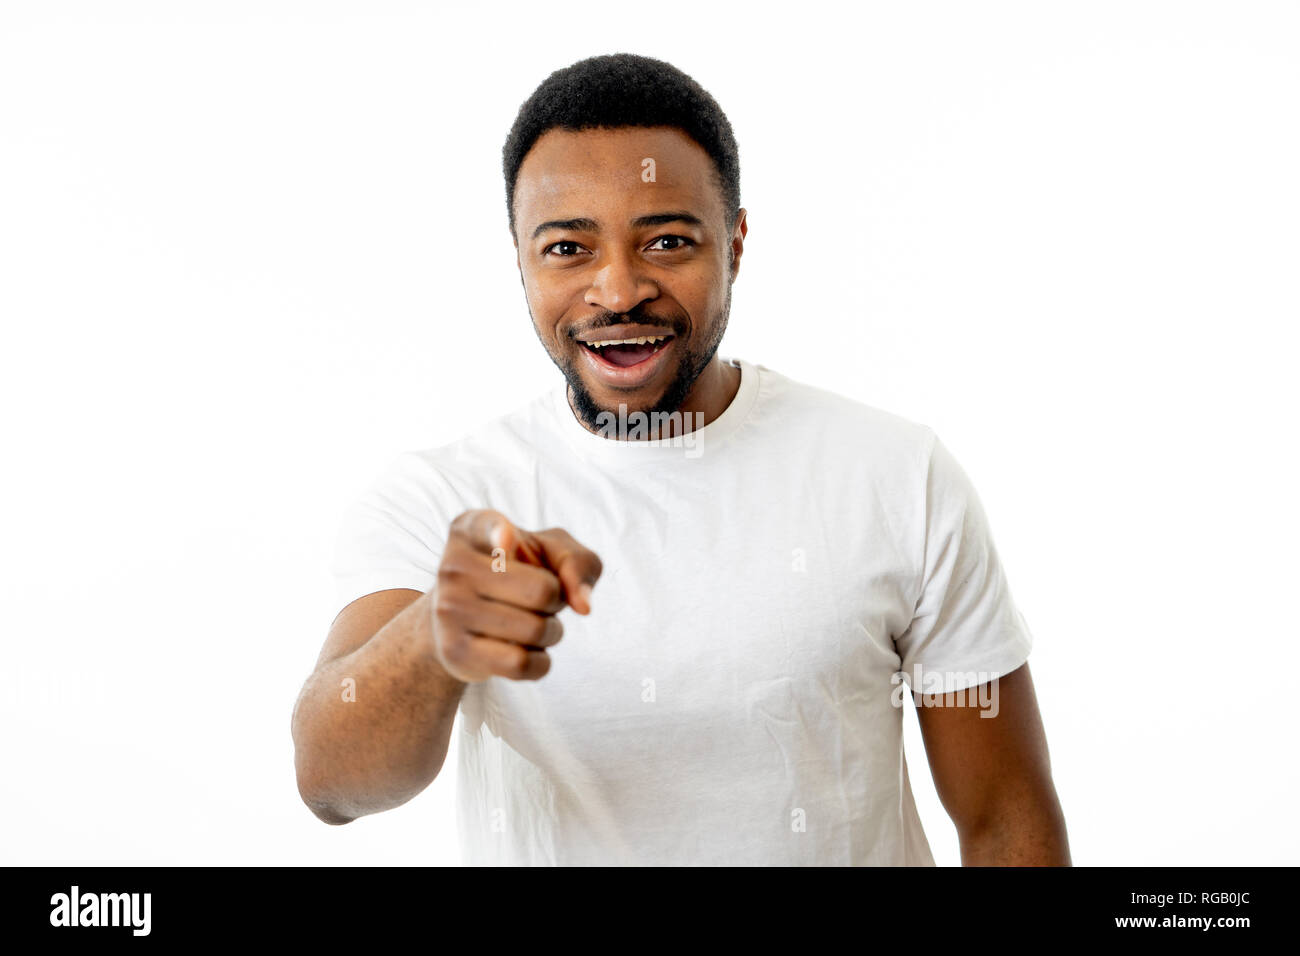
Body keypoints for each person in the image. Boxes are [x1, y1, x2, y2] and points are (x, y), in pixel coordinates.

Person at [290, 52, 1070, 866]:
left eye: (667, 241)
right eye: (568, 248)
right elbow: (330, 783)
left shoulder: (898, 475)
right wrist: (435, 634)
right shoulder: (439, 497)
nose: (619, 290)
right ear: (519, 256)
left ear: (735, 243)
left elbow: (1004, 816)